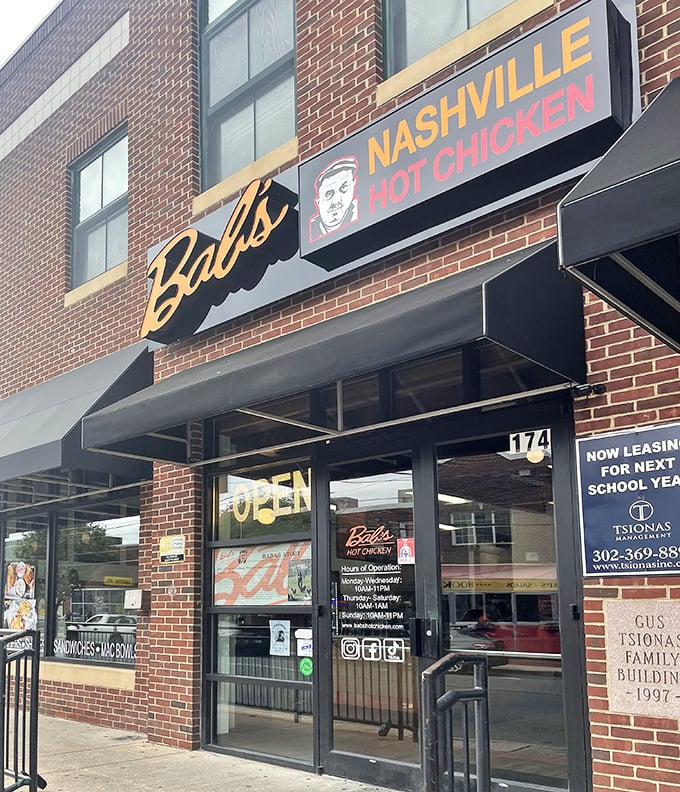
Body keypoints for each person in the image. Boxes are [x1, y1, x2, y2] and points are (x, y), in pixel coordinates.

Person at [309, 156, 359, 241]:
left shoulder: (364, 211)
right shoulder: (309, 230)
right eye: (329, 194)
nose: (336, 200)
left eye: (344, 188)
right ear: (318, 202)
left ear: (353, 186)